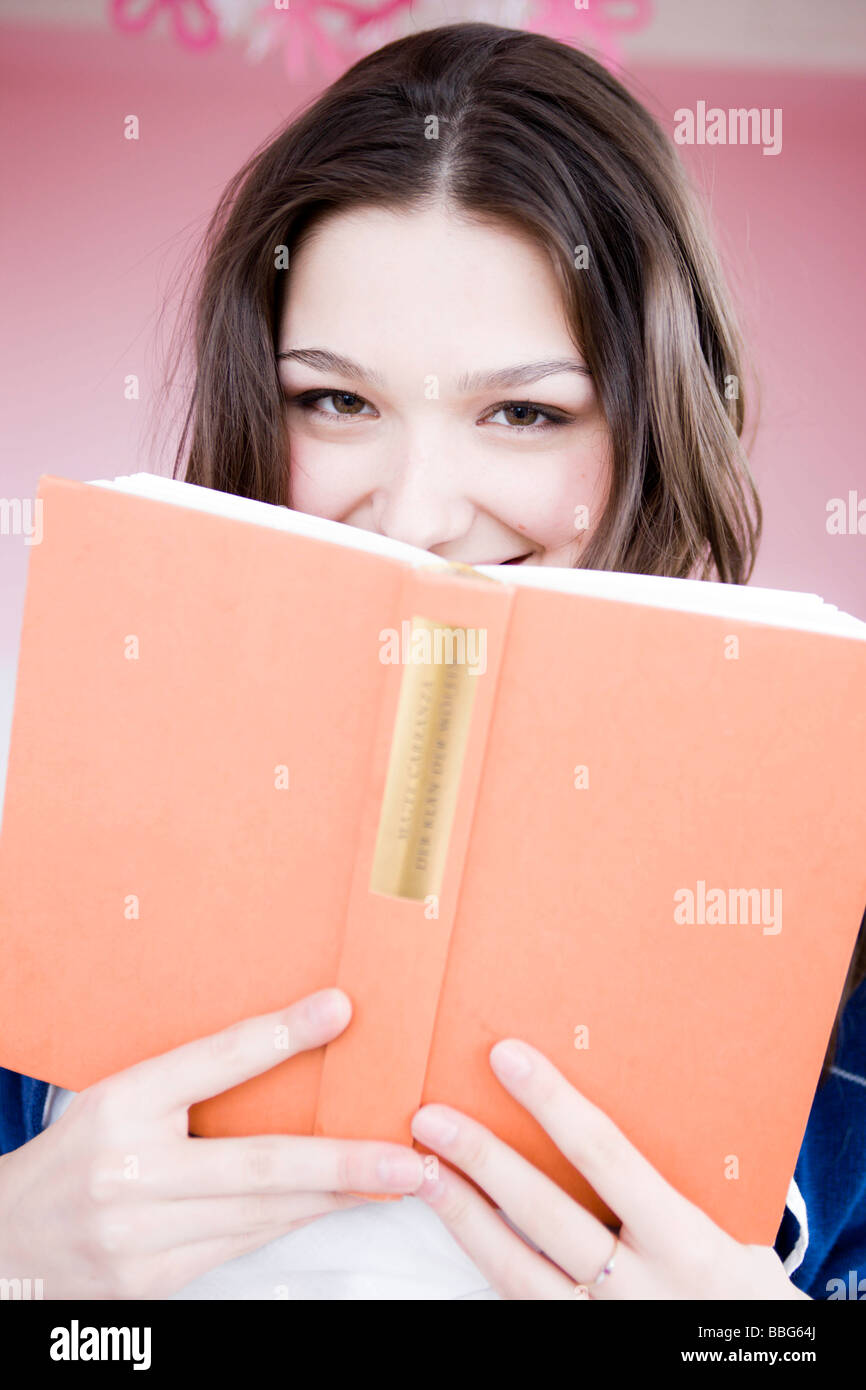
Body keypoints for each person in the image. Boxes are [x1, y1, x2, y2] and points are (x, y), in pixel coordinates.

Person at [1, 20, 864, 1301]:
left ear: (652, 430)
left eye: (523, 413)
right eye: (335, 401)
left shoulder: (823, 958)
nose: (414, 515)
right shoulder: (56, 877)